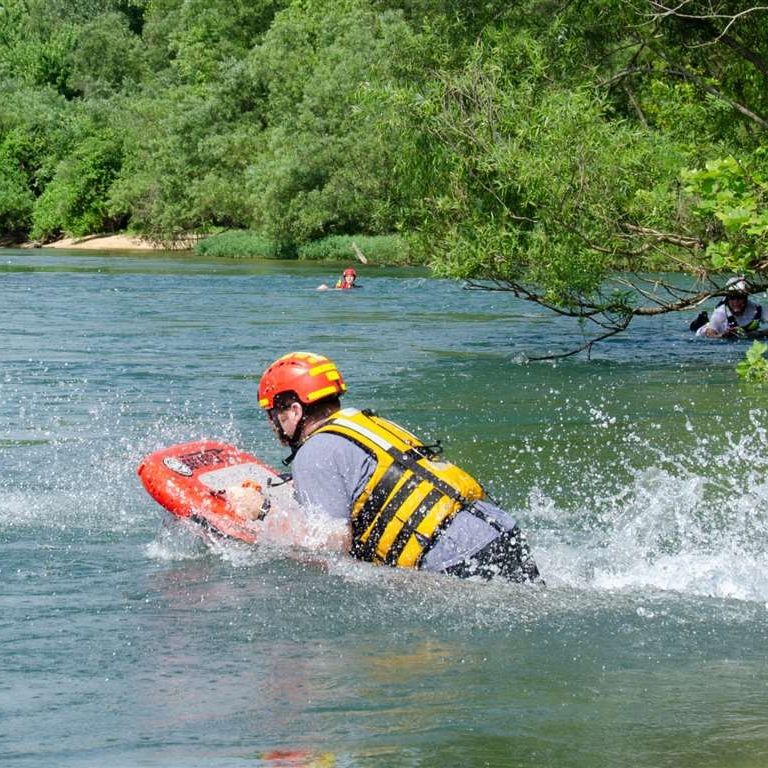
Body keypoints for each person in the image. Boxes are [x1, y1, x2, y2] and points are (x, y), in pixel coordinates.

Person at [239, 351, 541, 584]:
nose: (271, 422)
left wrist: (263, 512)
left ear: (295, 410)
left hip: (456, 557)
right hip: (499, 530)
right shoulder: (366, 423)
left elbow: (331, 547)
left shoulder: (313, 452)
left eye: (272, 412)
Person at [693, 276, 763, 338]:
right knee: (697, 326)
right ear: (727, 298)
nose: (736, 302)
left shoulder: (756, 309)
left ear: (746, 297)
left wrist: (757, 334)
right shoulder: (720, 313)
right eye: (732, 298)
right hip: (703, 330)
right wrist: (722, 336)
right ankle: (702, 319)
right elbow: (710, 333)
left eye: (740, 297)